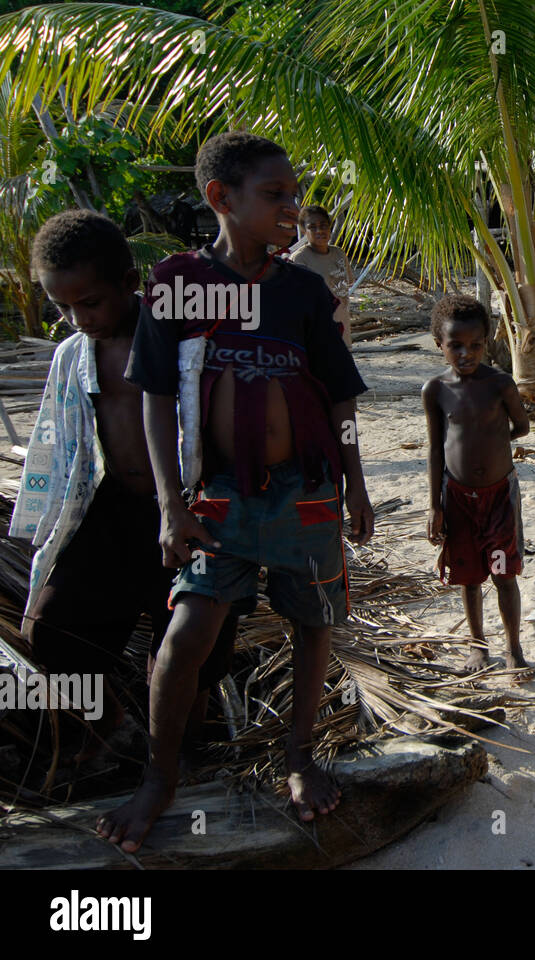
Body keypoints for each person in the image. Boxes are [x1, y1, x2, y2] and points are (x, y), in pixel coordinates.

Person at [100, 132, 375, 853]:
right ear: (222, 198)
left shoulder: (305, 292)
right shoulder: (177, 284)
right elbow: (157, 395)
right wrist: (171, 504)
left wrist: (358, 484)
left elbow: (340, 400)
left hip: (307, 493)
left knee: (312, 621)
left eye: (295, 194)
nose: (293, 207)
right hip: (220, 494)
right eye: (275, 195)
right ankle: (160, 778)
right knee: (185, 635)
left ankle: (298, 754)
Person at [11, 210, 237, 758]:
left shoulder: (183, 342)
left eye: (89, 303)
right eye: (62, 307)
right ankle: (117, 728)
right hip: (110, 509)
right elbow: (54, 436)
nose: (76, 318)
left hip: (187, 511)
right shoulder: (73, 357)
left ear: (129, 285)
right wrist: (36, 521)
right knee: (52, 631)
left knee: (186, 650)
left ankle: (186, 751)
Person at [424, 294, 531, 675]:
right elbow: (436, 448)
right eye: (455, 346)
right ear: (440, 345)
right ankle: (477, 646)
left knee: (504, 575)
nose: (466, 354)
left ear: (487, 342)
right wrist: (435, 504)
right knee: (468, 577)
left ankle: (514, 649)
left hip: (499, 498)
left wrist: (493, 444)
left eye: (476, 345)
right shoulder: (435, 390)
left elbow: (522, 426)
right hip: (456, 498)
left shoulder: (499, 384)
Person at [288, 204, 355, 346]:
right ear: (303, 230)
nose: (319, 231)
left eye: (323, 225)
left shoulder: (339, 254)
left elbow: (347, 282)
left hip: (342, 322)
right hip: (317, 328)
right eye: (312, 227)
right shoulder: (300, 259)